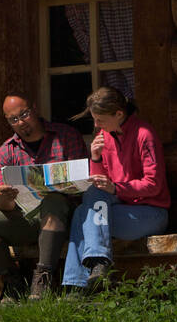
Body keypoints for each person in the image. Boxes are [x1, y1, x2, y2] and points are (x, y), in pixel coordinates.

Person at [0, 93, 87, 298]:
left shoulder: (66, 135)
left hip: (65, 218)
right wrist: (4, 196)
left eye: (24, 114)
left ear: (35, 109)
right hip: (27, 216)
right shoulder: (6, 152)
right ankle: (14, 279)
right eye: (14, 119)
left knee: (53, 200)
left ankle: (43, 277)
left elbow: (83, 180)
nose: (21, 122)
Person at [62, 86, 170, 292]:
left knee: (83, 214)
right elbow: (100, 183)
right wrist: (95, 157)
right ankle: (91, 272)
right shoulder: (106, 135)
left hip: (150, 213)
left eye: (100, 120)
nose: (96, 125)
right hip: (116, 209)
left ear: (119, 114)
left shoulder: (144, 134)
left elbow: (153, 185)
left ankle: (79, 281)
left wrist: (117, 189)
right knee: (85, 207)